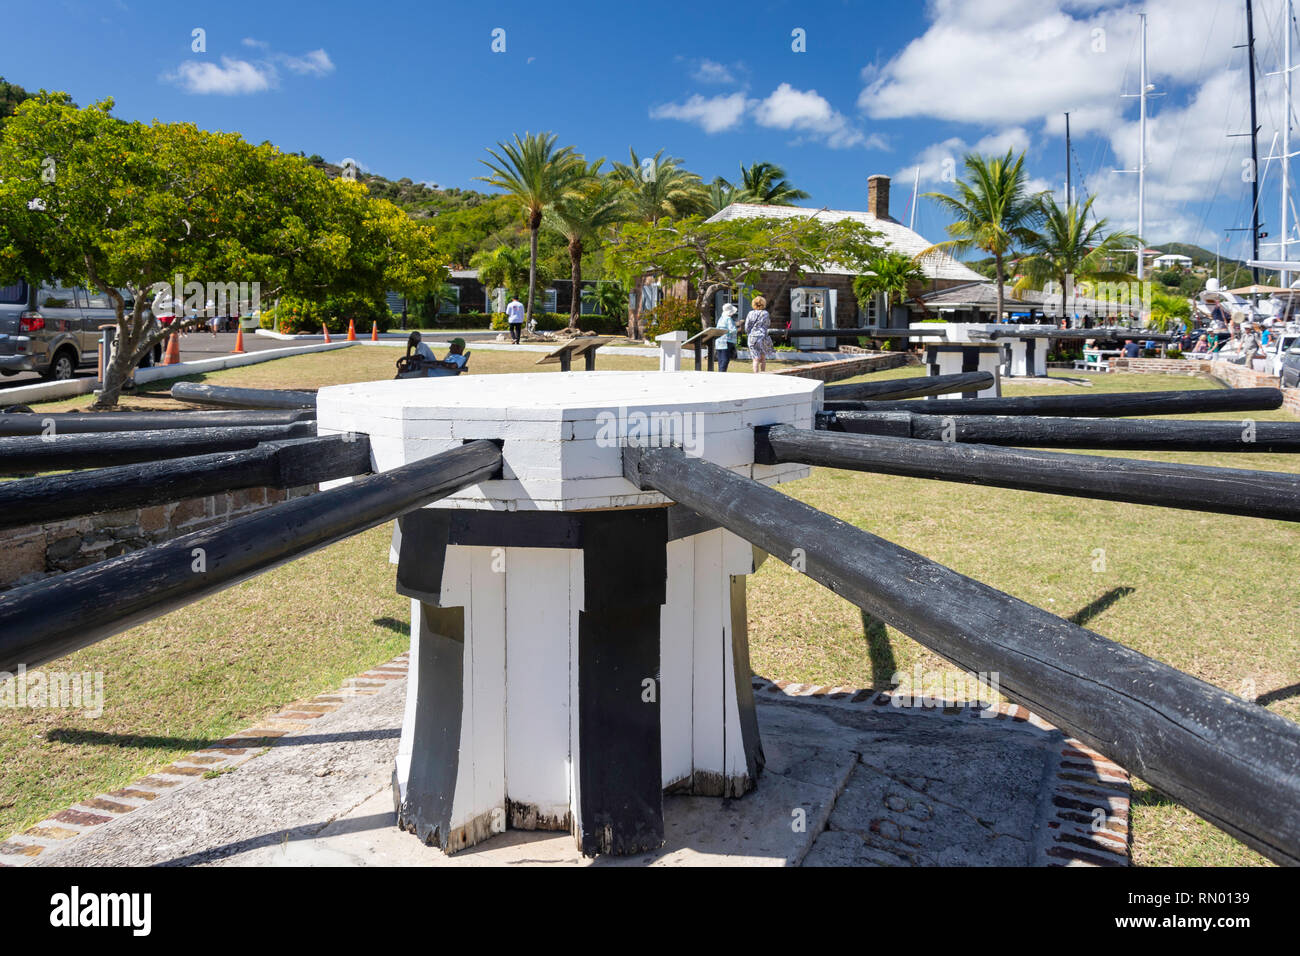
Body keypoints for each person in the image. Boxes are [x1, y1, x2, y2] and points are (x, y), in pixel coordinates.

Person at [744, 295, 775, 373]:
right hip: (762, 336)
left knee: (755, 358)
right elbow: (767, 324)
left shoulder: (750, 313)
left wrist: (749, 333)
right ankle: (763, 373)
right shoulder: (765, 313)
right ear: (763, 304)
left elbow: (747, 326)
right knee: (763, 358)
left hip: (752, 337)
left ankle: (756, 375)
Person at [715, 302, 739, 372]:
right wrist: (738, 328)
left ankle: (720, 372)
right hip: (727, 341)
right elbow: (733, 330)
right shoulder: (729, 319)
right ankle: (722, 372)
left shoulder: (721, 318)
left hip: (719, 340)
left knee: (720, 359)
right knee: (725, 358)